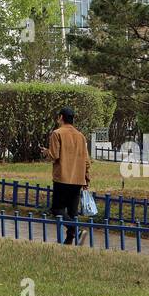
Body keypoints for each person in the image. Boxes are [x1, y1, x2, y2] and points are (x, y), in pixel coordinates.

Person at [43, 105, 89, 245]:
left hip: (62, 177)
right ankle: (69, 241)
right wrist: (86, 178)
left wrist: (45, 152)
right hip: (78, 179)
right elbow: (86, 160)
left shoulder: (57, 133)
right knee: (72, 212)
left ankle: (77, 230)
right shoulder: (81, 136)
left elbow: (54, 156)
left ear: (61, 117)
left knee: (56, 209)